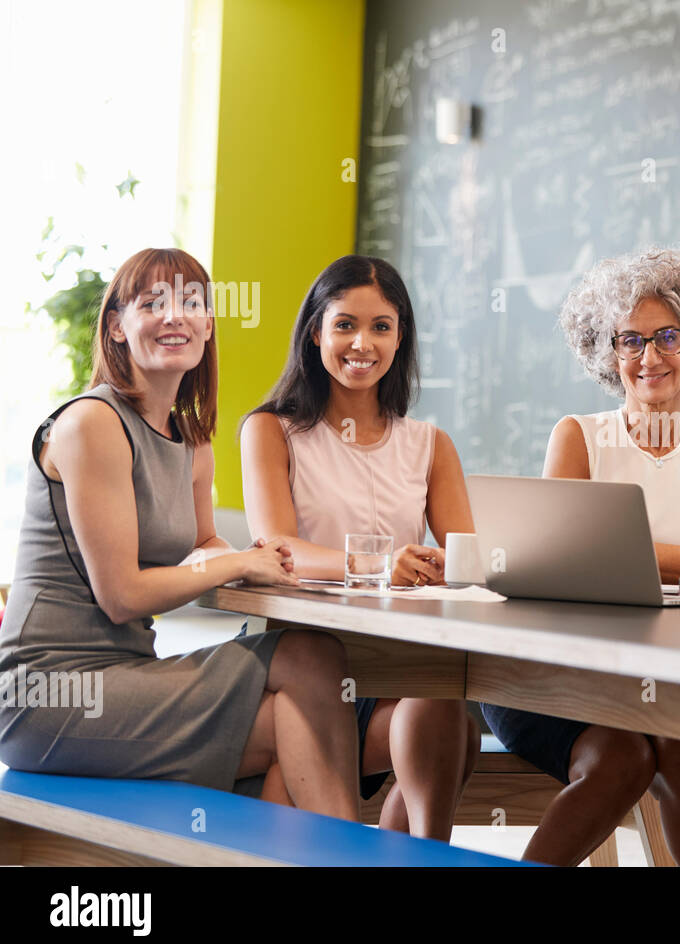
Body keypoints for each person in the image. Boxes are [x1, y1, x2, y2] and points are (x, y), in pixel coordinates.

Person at [0, 248, 358, 818]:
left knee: (312, 666)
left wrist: (256, 555)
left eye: (192, 302)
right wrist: (238, 565)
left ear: (209, 324)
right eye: (153, 303)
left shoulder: (191, 439)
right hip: (52, 692)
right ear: (116, 325)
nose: (177, 316)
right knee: (304, 711)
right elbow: (121, 596)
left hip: (131, 672)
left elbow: (204, 543)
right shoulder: (92, 424)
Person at [481, 247, 680, 865]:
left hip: (651, 677)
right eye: (630, 340)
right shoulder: (578, 436)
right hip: (546, 671)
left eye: (667, 338)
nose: (649, 357)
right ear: (609, 352)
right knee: (631, 756)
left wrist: (647, 554)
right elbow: (566, 557)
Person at [241, 254, 480, 840]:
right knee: (449, 726)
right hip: (303, 671)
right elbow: (276, 549)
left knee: (446, 709)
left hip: (398, 666)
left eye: (381, 326)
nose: (361, 343)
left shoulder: (429, 444)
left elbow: (468, 563)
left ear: (401, 338)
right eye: (344, 324)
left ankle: (422, 855)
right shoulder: (272, 430)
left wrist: (456, 566)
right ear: (316, 331)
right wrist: (378, 566)